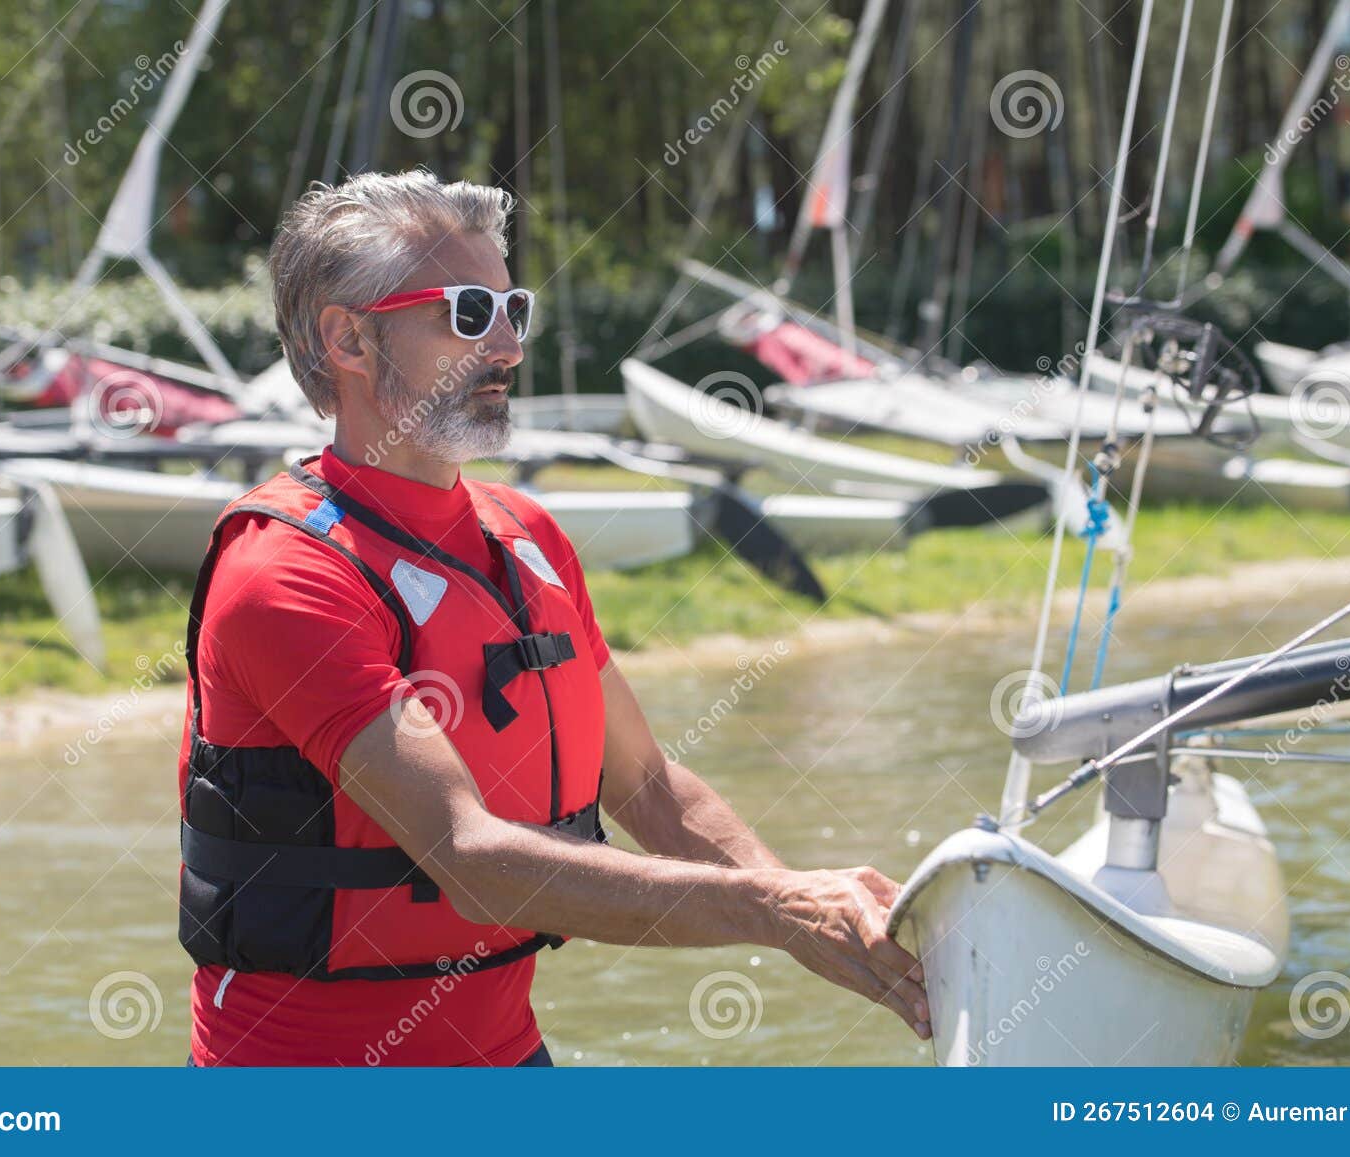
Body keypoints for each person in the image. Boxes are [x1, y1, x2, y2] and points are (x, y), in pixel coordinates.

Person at [177, 169, 928, 1067]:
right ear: (349, 338)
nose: (507, 347)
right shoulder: (284, 574)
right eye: (466, 313)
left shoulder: (524, 533)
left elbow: (645, 784)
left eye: (512, 309)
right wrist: (772, 910)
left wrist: (816, 910)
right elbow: (469, 856)